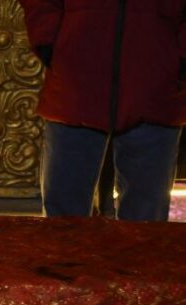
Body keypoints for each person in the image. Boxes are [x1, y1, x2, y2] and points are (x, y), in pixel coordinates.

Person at [19, 0, 185, 221]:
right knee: (64, 221)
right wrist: (48, 40)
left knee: (145, 223)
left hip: (155, 82)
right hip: (75, 79)